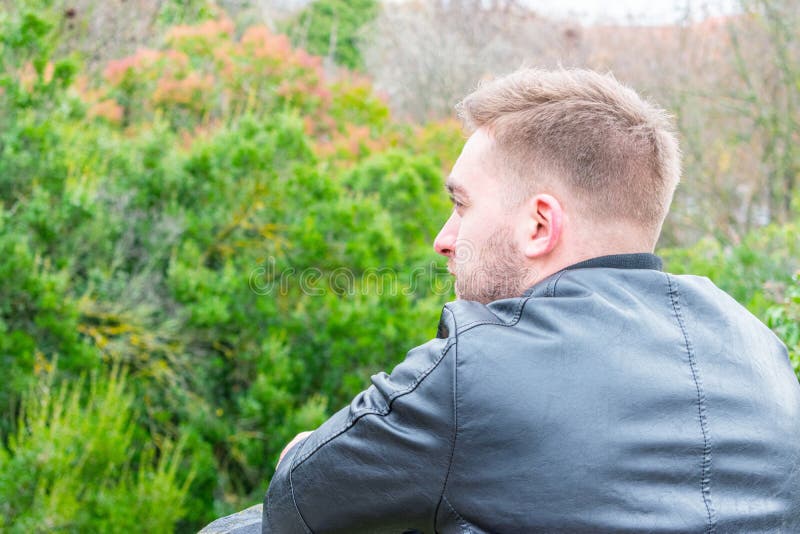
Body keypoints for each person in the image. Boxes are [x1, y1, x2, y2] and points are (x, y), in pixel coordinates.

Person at [261, 68, 800, 533]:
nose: (443, 238)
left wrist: (301, 447)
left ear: (539, 225)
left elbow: (294, 505)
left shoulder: (473, 371)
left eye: (461, 205)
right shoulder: (761, 351)